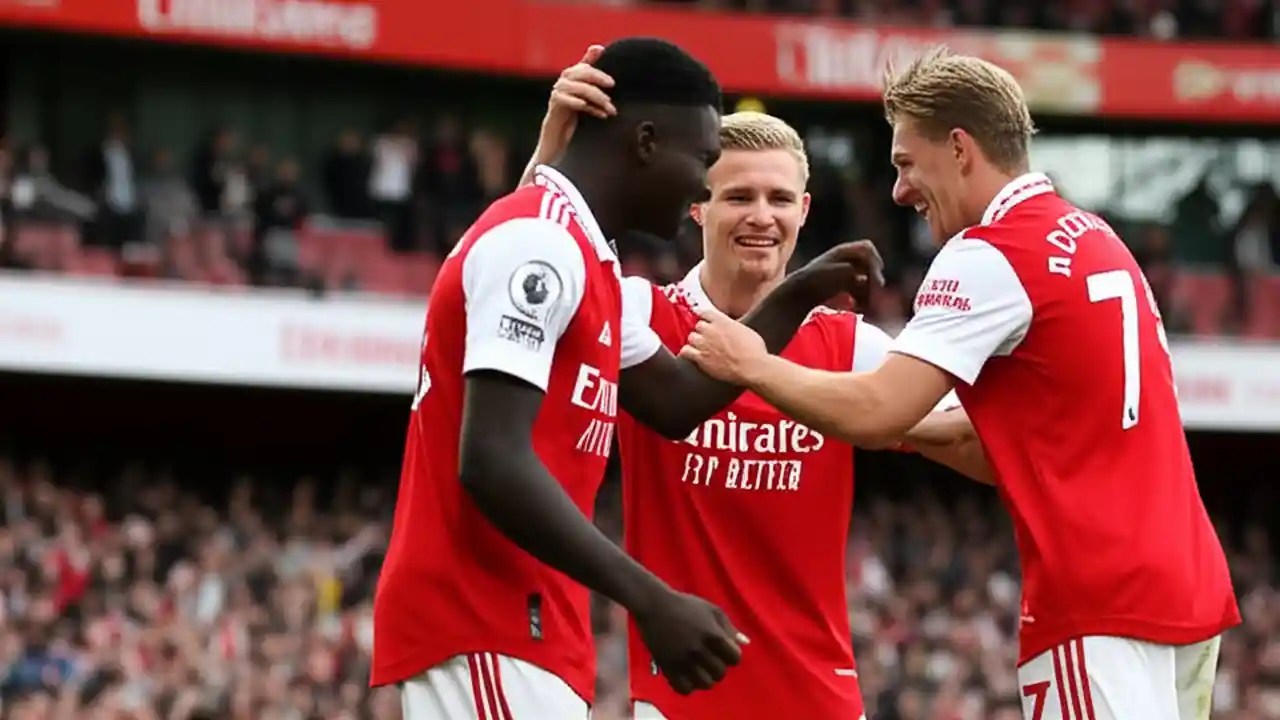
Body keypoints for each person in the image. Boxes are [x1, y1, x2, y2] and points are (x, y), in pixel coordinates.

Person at [681, 47, 1240, 720]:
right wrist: (869, 414)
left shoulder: (989, 253)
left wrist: (750, 364)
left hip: (1097, 600)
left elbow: (878, 411)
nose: (899, 191)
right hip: (1186, 590)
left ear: (959, 148)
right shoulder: (1095, 237)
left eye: (905, 164)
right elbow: (995, 444)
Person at [371, 38, 879, 720]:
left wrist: (798, 291)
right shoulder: (540, 242)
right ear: (644, 141)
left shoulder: (590, 262)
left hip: (532, 626)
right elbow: (491, 461)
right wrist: (650, 598)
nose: (703, 185)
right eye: (703, 161)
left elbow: (678, 401)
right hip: (484, 615)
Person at [520, 53, 987, 720]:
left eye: (776, 199)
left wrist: (889, 417)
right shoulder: (639, 316)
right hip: (679, 692)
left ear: (804, 210)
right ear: (696, 207)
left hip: (815, 694)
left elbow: (977, 446)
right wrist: (551, 149)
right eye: (738, 196)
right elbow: (527, 269)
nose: (759, 217)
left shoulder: (848, 344)